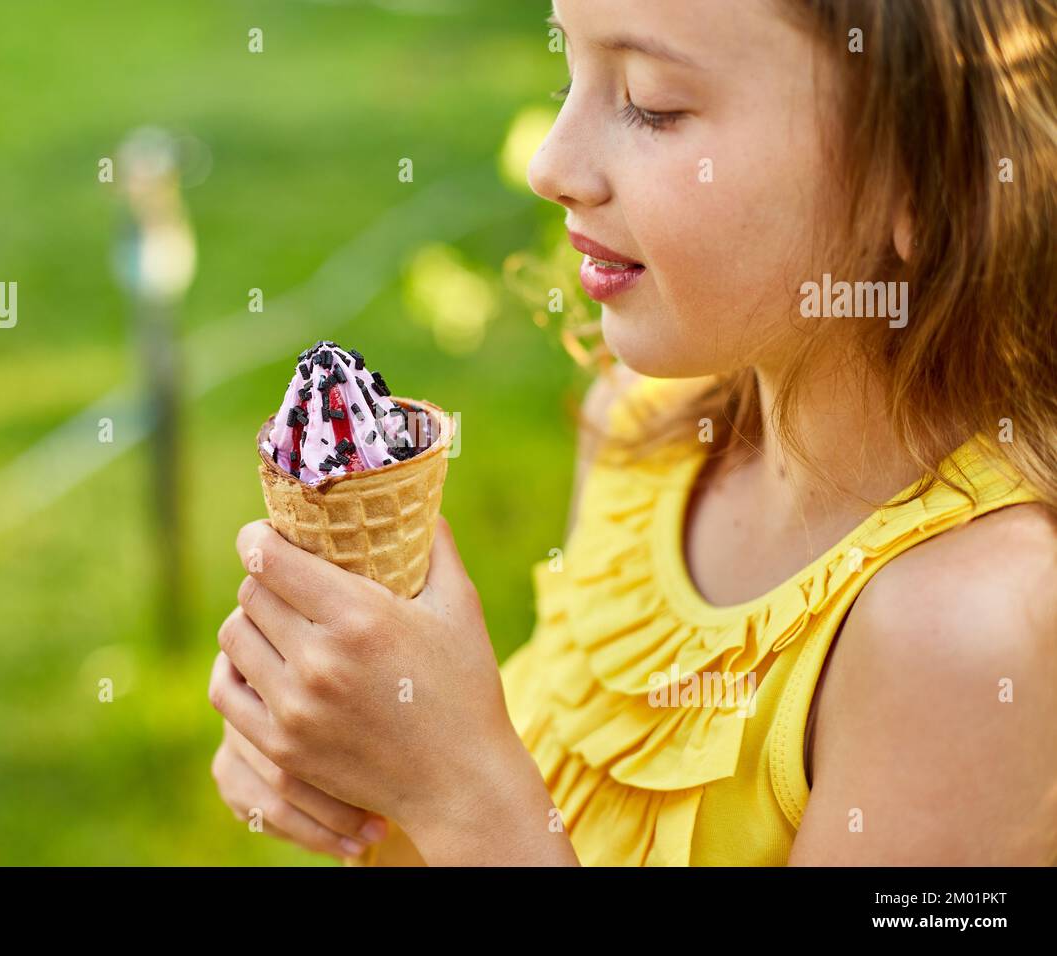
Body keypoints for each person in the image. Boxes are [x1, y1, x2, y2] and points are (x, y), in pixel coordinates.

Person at [209, 0, 1057, 865]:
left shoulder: (971, 640)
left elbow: (487, 813)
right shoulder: (638, 431)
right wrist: (361, 767)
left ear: (921, 177)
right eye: (568, 69)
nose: (550, 163)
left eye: (653, 102)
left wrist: (459, 789)